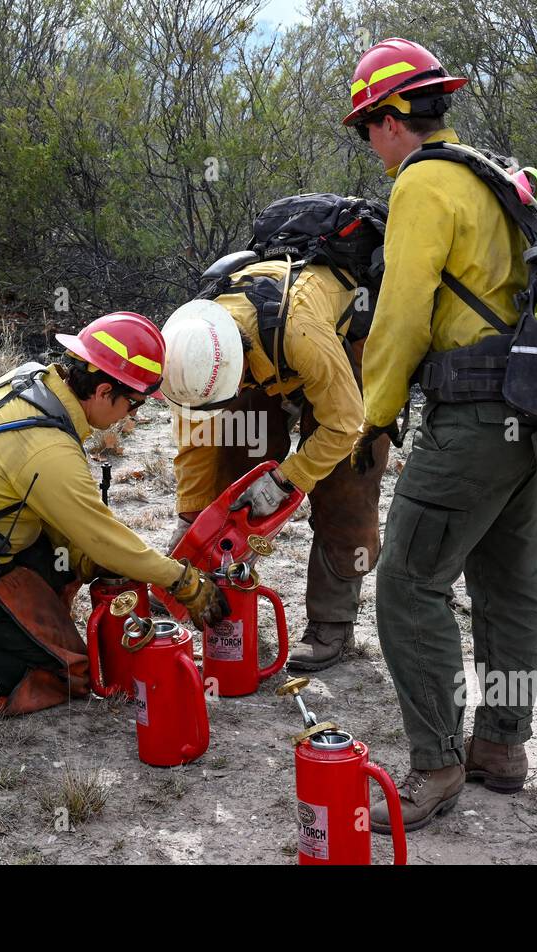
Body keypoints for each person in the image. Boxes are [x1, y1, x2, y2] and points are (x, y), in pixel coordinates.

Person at [345, 38, 537, 831]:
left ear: (394, 118)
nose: (369, 142)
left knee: (406, 584)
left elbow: (401, 312)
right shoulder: (495, 175)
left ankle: (435, 765)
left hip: (469, 420)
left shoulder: (424, 184)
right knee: (508, 585)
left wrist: (376, 415)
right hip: (530, 411)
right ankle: (501, 746)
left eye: (367, 126)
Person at [0, 312, 227, 714]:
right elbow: (103, 537)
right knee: (66, 674)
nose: (133, 416)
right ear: (102, 390)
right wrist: (182, 580)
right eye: (133, 404)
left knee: (78, 561)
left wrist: (79, 557)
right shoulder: (48, 448)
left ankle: (10, 622)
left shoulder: (31, 383)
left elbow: (64, 519)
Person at [161, 256, 388, 672]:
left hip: (340, 346)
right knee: (236, 448)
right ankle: (230, 589)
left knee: (346, 480)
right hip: (266, 351)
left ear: (235, 365)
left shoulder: (302, 332)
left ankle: (331, 623)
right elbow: (196, 430)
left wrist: (288, 480)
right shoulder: (190, 347)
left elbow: (347, 424)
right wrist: (192, 514)